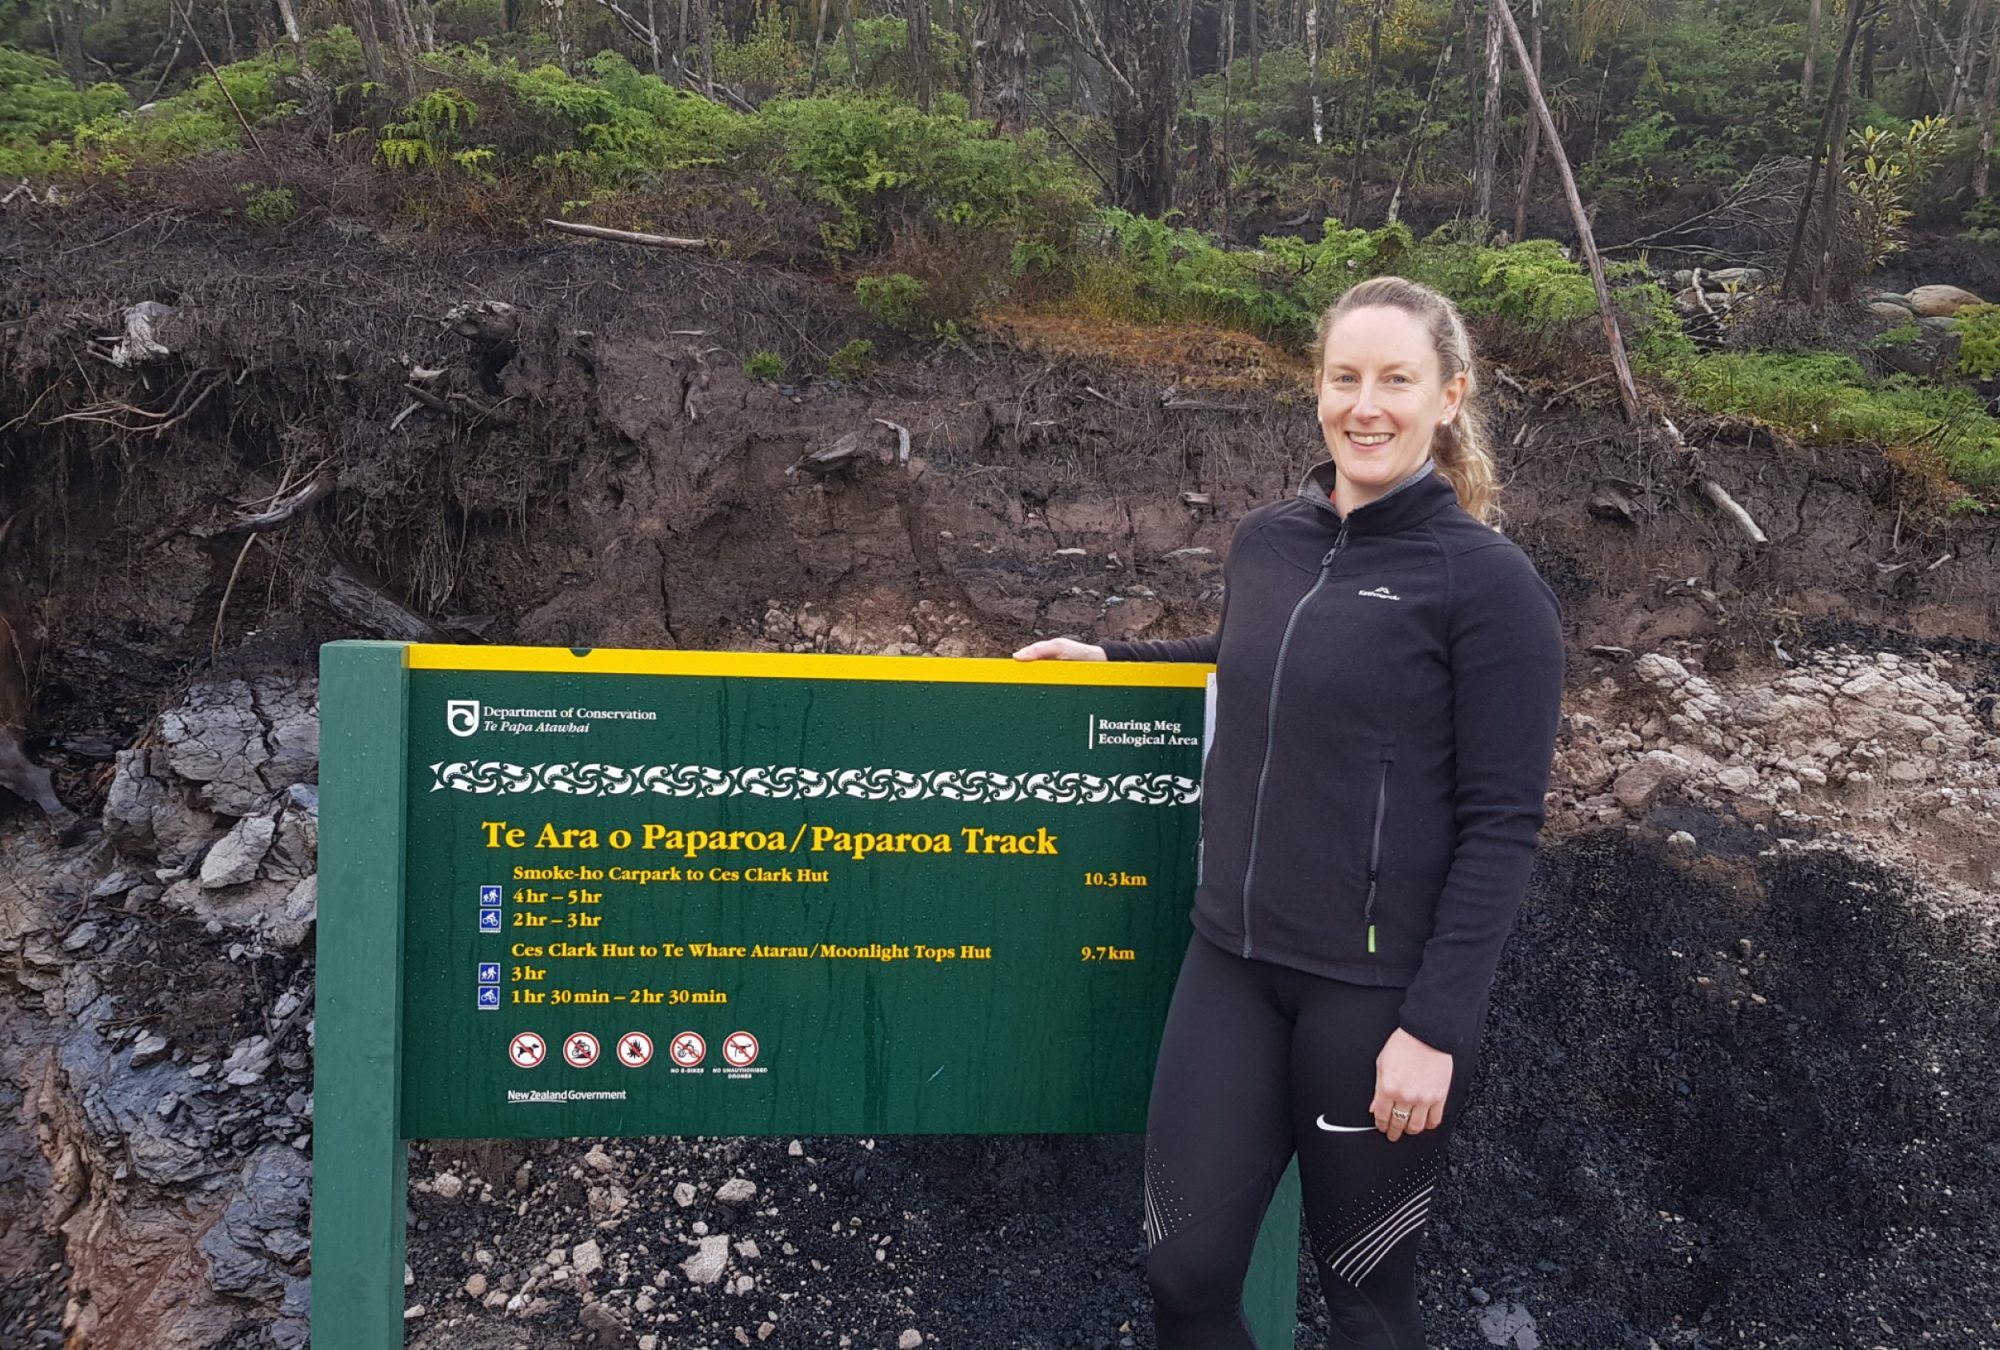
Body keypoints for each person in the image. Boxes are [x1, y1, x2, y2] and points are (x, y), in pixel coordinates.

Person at [1015, 276, 1565, 1349]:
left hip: (1374, 999)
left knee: (1362, 1299)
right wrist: (1114, 662)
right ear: (1315, 389)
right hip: (1230, 961)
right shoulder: (1269, 539)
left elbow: (1503, 823)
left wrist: (1432, 1030)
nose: (1365, 405)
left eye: (1394, 380)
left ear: (1446, 396)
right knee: (1183, 1272)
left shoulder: (1488, 587)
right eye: (1343, 377)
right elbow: (1253, 664)